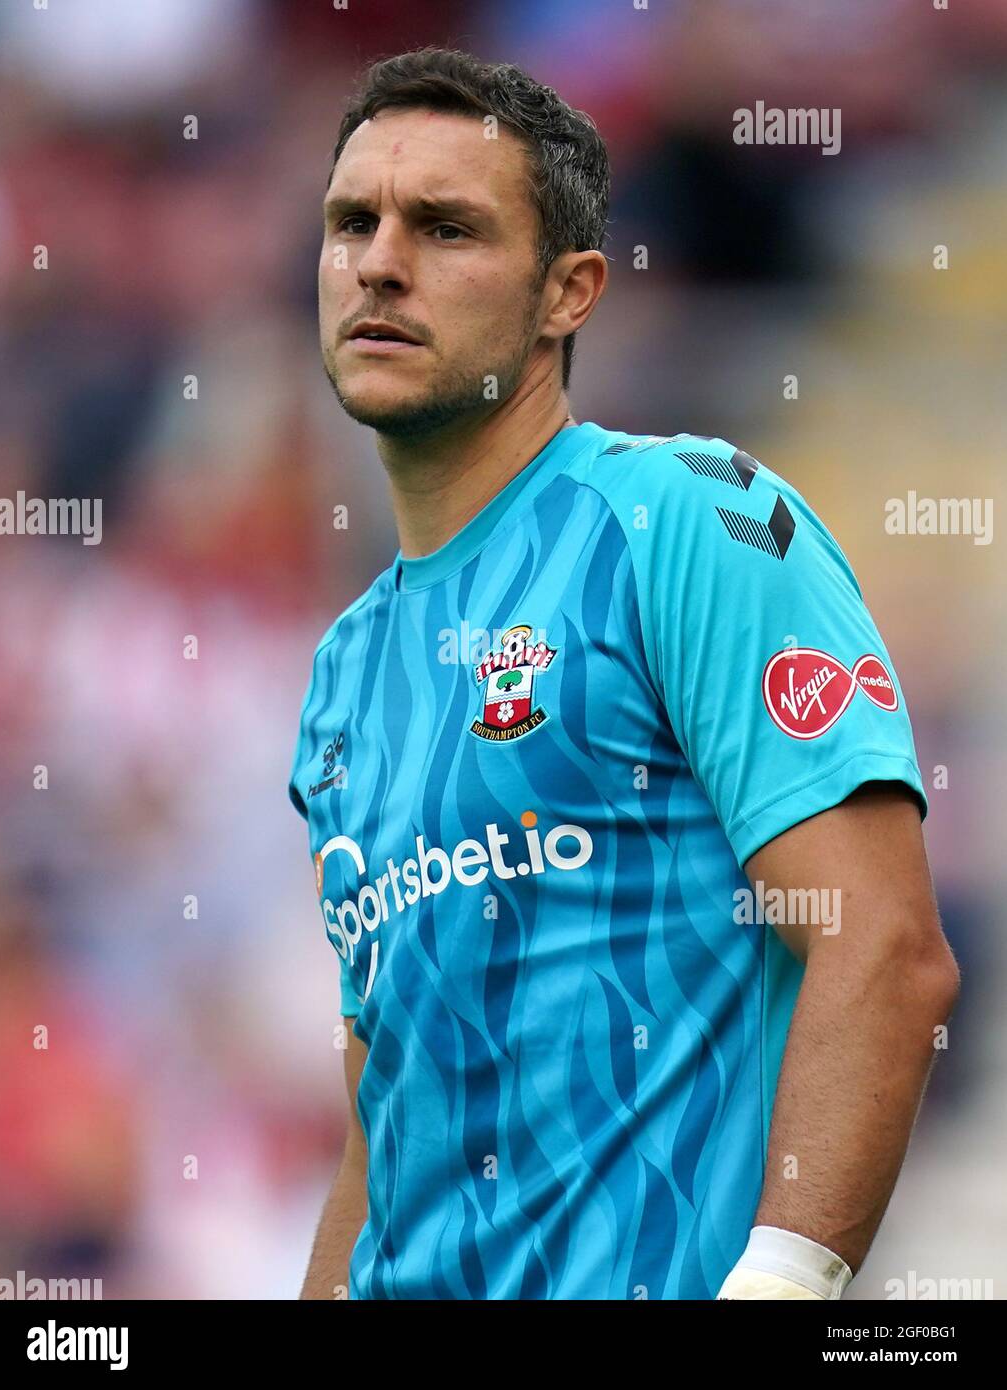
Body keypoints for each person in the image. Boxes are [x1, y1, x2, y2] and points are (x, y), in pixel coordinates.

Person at [289, 47, 959, 1301]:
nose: (378, 261)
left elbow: (882, 944)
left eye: (444, 228)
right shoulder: (342, 673)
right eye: (351, 222)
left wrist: (779, 1287)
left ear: (568, 292)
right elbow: (385, 1117)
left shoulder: (685, 519)